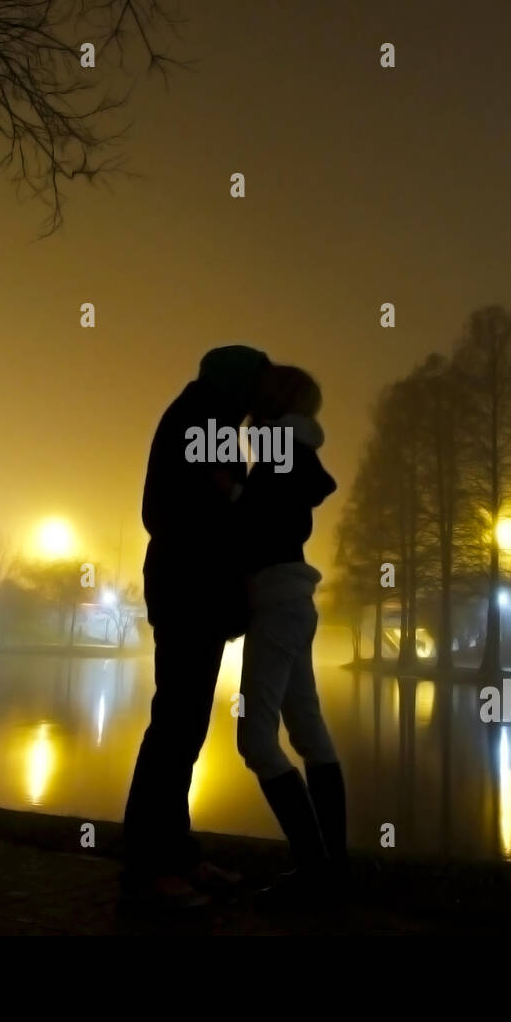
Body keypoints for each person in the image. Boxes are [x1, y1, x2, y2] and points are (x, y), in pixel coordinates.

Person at [122, 344, 273, 909]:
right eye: (257, 387)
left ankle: (174, 856)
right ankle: (148, 868)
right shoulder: (200, 422)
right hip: (189, 593)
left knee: (182, 728)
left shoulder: (206, 420)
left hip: (193, 592)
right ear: (237, 384)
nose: (262, 401)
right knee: (175, 729)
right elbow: (178, 512)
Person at [235, 364, 346, 909]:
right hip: (293, 600)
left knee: (255, 742)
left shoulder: (276, 448)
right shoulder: (293, 450)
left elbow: (253, 524)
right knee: (307, 731)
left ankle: (314, 869)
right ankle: (332, 869)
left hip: (276, 600)